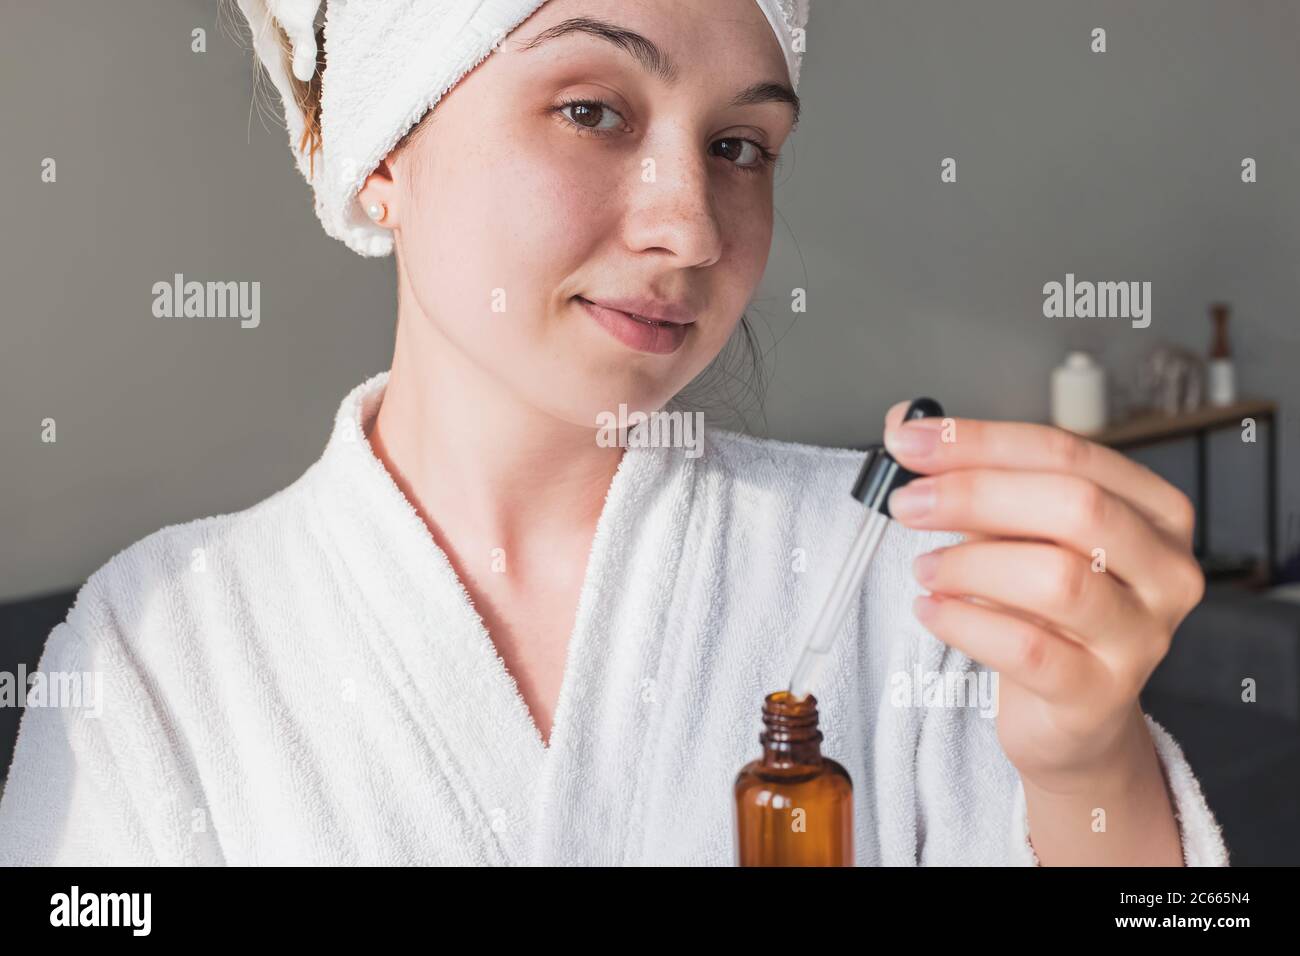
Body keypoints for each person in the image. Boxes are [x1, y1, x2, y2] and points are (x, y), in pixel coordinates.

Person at [0, 0, 1228, 865]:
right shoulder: (155, 656)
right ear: (382, 153)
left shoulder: (895, 576)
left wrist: (1089, 772)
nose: (691, 227)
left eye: (740, 146)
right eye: (591, 109)